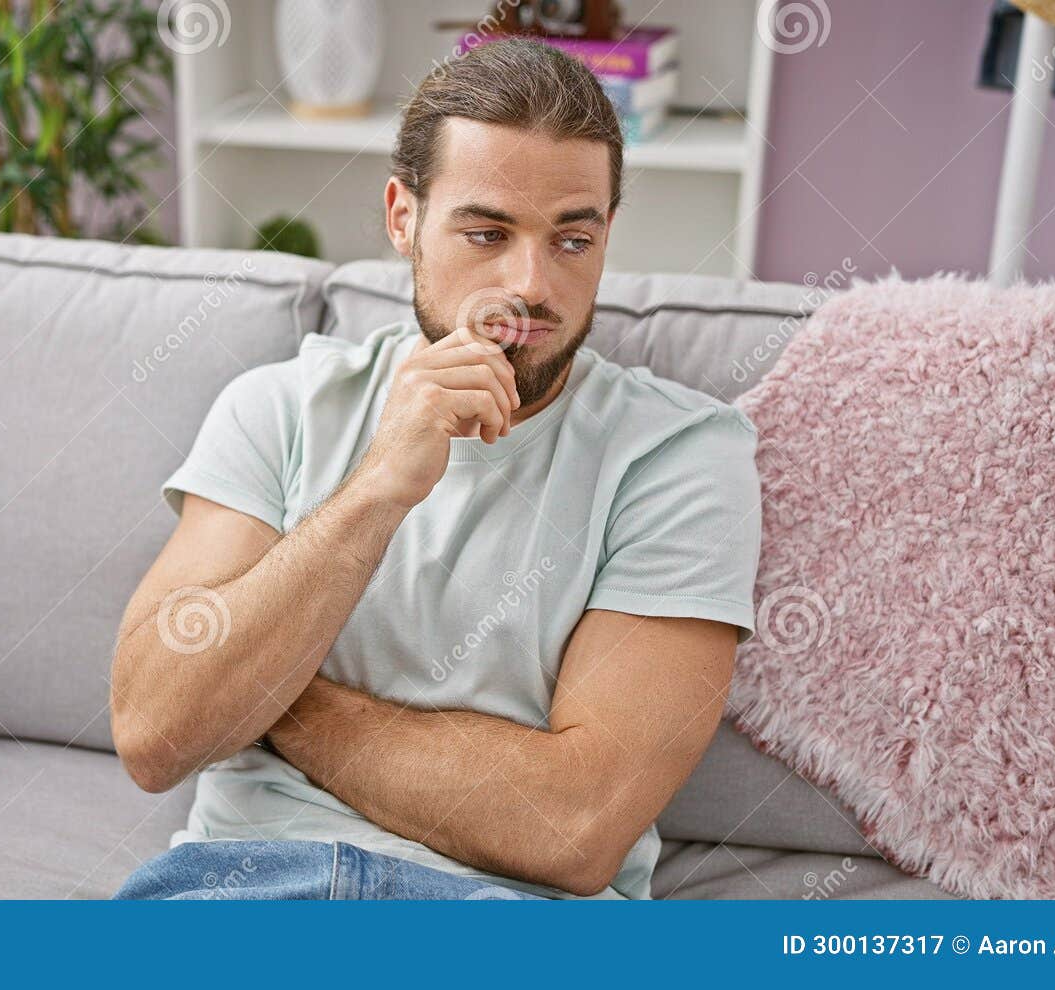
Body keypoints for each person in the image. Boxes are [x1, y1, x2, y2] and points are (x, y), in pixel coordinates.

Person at [109, 38, 762, 900]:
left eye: (573, 239)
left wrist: (267, 698)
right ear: (402, 217)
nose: (530, 285)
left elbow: (574, 827)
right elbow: (156, 733)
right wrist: (379, 486)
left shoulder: (681, 456)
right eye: (487, 233)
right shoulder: (281, 408)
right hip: (243, 889)